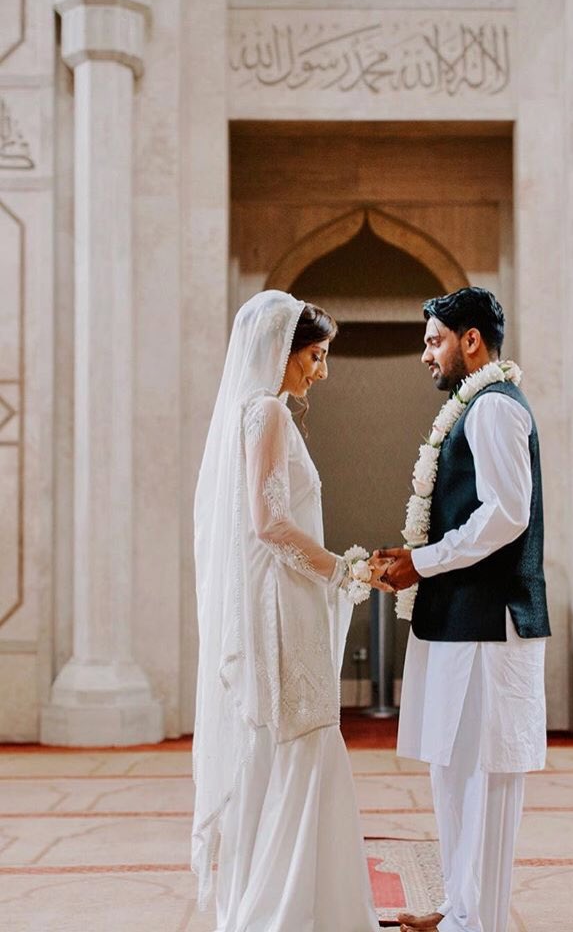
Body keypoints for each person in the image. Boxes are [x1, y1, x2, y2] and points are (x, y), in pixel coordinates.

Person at [192, 290, 382, 932]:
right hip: (287, 597)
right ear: (283, 351)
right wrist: (341, 569)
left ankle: (296, 904)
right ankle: (286, 911)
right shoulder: (267, 411)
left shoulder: (256, 411)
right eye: (316, 355)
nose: (321, 370)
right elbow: (270, 523)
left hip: (285, 592)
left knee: (292, 737)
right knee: (304, 731)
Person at [371, 287, 551, 932]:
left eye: (434, 340)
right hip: (455, 621)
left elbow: (505, 515)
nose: (426, 354)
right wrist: (419, 559)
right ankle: (457, 909)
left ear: (470, 340)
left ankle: (484, 922)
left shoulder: (495, 410)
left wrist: (422, 561)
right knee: (451, 765)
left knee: (486, 776)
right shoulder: (469, 408)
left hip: (491, 622)